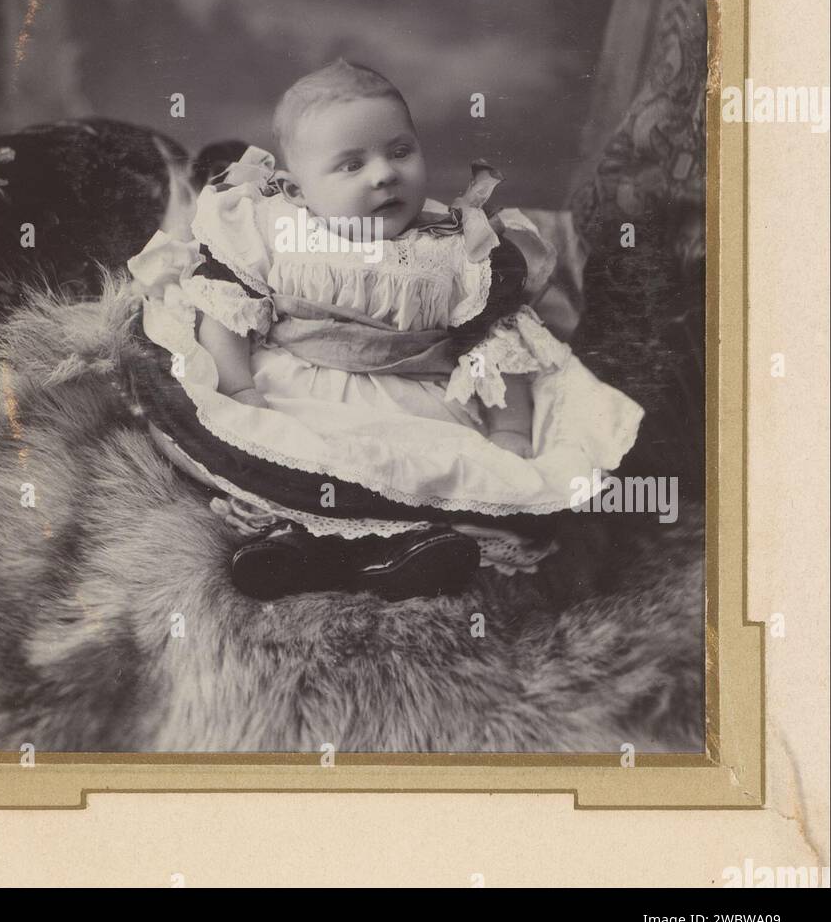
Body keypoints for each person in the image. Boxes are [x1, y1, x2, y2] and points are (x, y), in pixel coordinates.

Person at [128, 59, 643, 598]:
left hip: (417, 399)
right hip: (301, 385)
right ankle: (290, 545)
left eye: (400, 151)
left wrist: (509, 431)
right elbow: (226, 315)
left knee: (420, 471)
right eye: (351, 166)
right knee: (296, 463)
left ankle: (398, 555)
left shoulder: (458, 250)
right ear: (297, 187)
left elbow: (495, 348)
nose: (384, 174)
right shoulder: (274, 232)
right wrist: (240, 390)